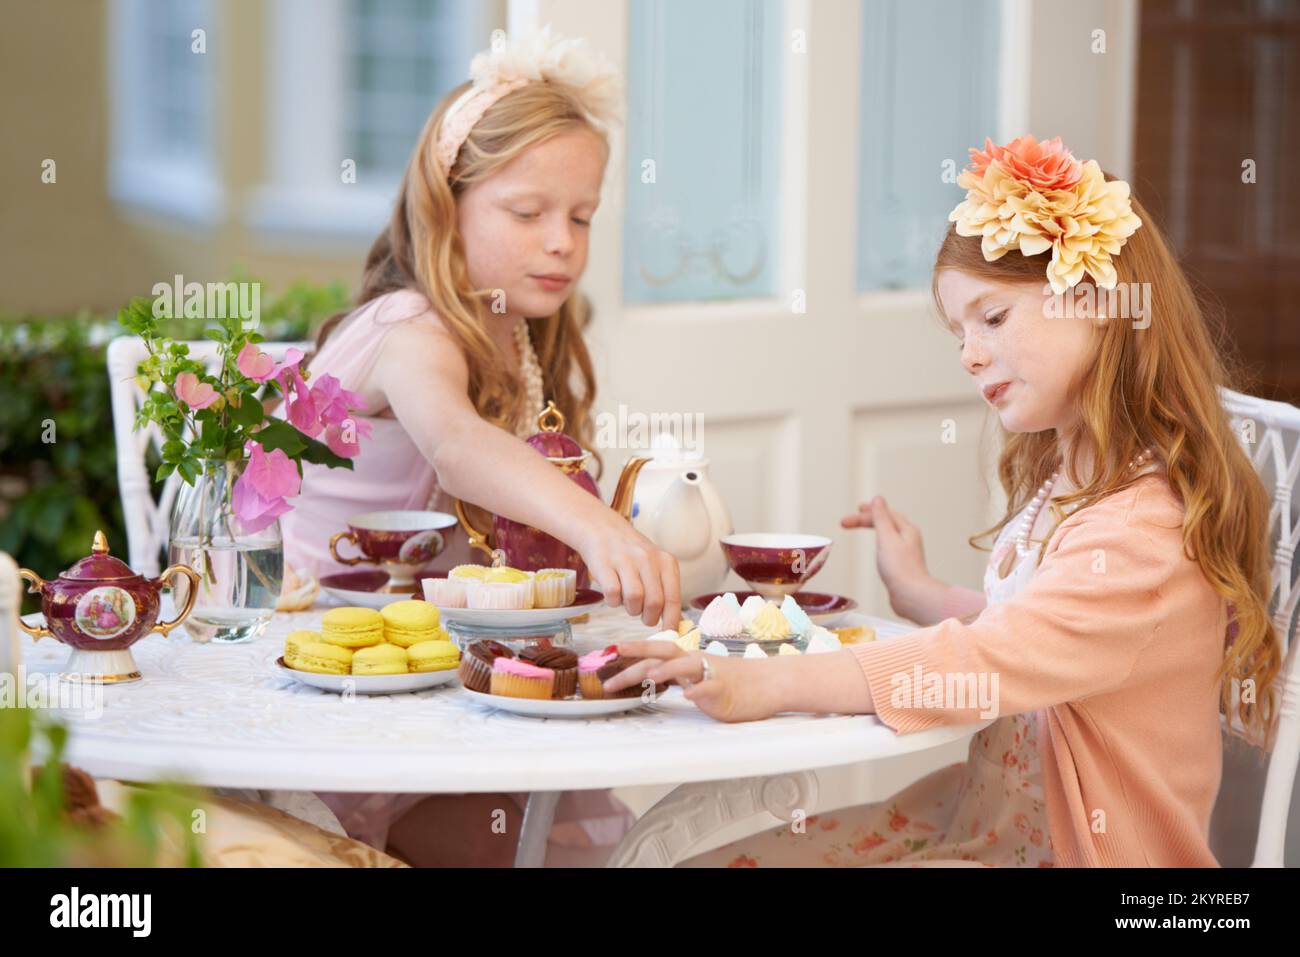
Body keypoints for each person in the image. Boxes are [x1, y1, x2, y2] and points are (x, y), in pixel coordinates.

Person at [609, 135, 1283, 867]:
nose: (968, 353)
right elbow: (1033, 637)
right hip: (991, 826)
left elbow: (993, 658)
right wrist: (921, 590)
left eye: (992, 319)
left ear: (1099, 300)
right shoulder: (1073, 483)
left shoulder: (1141, 532)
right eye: (960, 332)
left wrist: (766, 683)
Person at [277, 27, 680, 866]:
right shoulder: (408, 328)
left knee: (562, 831)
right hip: (343, 689)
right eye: (526, 212)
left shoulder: (524, 338)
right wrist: (600, 528)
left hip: (446, 685)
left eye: (582, 215)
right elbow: (459, 447)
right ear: (443, 207)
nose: (562, 241)